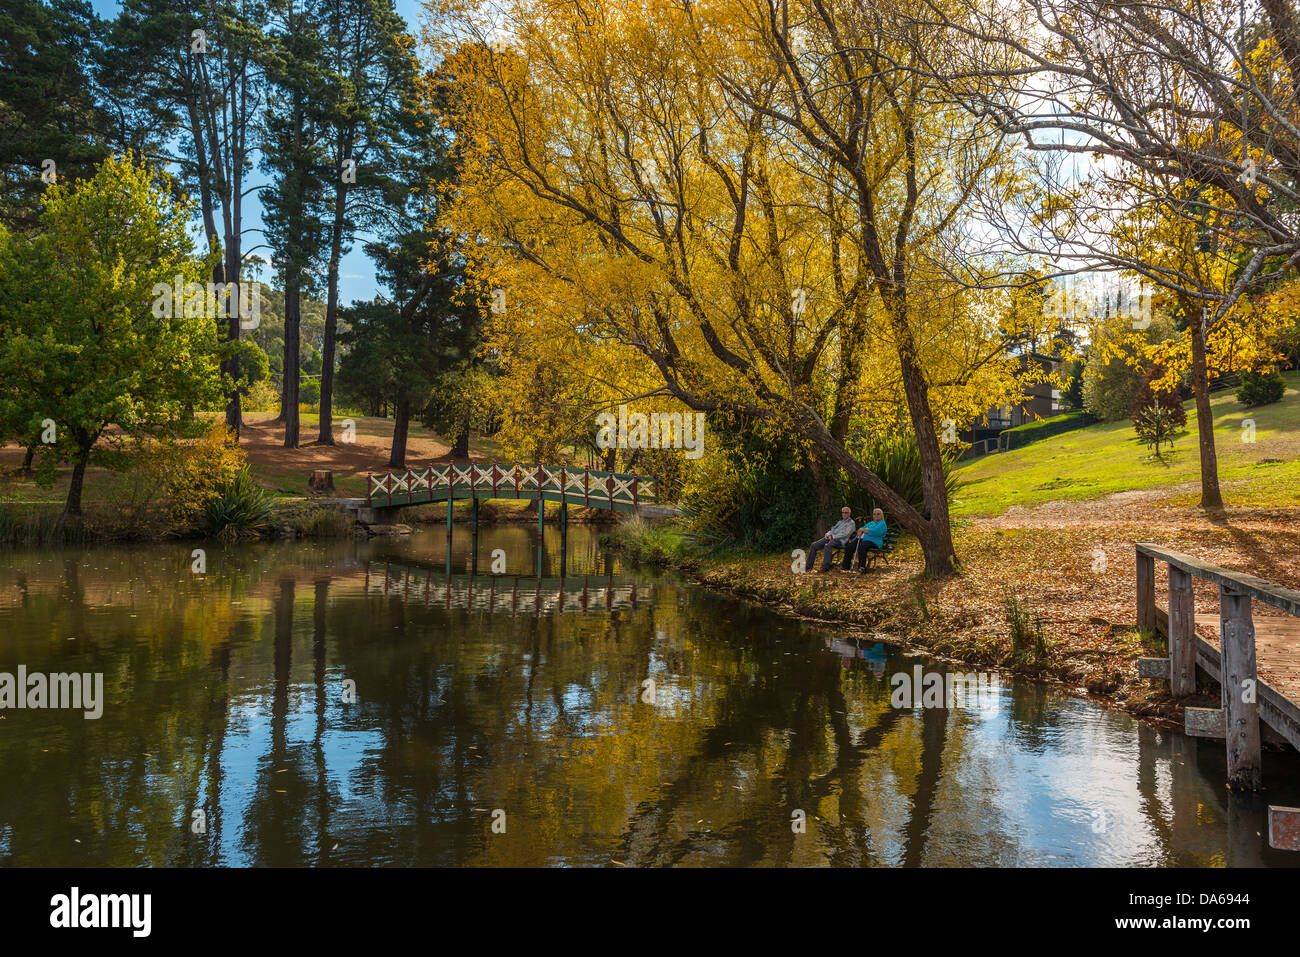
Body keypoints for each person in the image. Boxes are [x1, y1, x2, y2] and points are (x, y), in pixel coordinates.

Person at [805, 506, 856, 572]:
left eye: (846, 513)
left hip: (840, 540)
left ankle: (825, 567)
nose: (844, 514)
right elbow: (833, 529)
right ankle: (808, 567)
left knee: (827, 546)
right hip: (831, 538)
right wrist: (828, 534)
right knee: (814, 545)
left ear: (849, 514)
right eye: (843, 512)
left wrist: (833, 536)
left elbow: (845, 534)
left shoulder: (851, 523)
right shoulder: (840, 522)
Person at [841, 508, 887, 572]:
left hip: (874, 541)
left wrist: (863, 530)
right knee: (850, 546)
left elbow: (875, 531)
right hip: (863, 539)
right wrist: (861, 530)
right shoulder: (871, 523)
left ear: (881, 515)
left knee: (862, 547)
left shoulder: (882, 523)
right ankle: (845, 566)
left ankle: (862, 567)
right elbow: (862, 528)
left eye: (878, 514)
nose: (876, 515)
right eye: (874, 514)